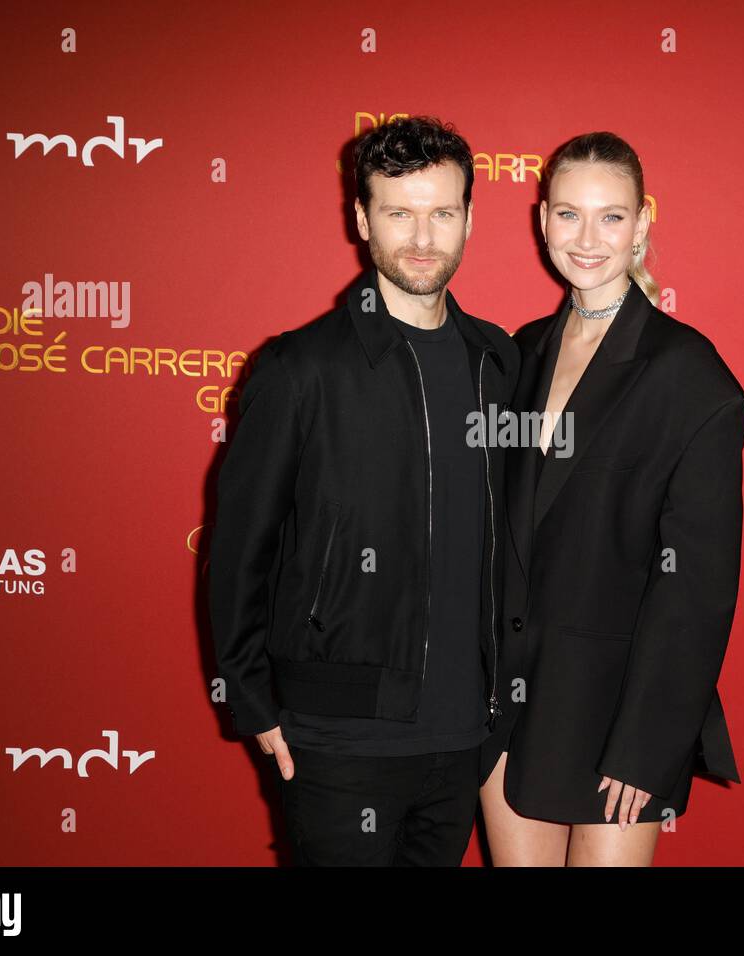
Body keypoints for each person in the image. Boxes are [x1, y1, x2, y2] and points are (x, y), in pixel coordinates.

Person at [208, 115, 518, 865]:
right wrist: (250, 700)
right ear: (361, 218)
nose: (422, 236)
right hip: (334, 739)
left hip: (463, 739)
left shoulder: (497, 362)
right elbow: (236, 549)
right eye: (397, 211)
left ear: (471, 219)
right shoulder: (301, 369)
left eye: (442, 212)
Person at [478, 131, 744, 866]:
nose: (587, 238)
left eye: (611, 216)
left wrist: (648, 747)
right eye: (568, 215)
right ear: (541, 222)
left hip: (621, 713)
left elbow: (697, 588)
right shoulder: (518, 353)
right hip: (511, 707)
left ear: (644, 220)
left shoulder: (690, 376)